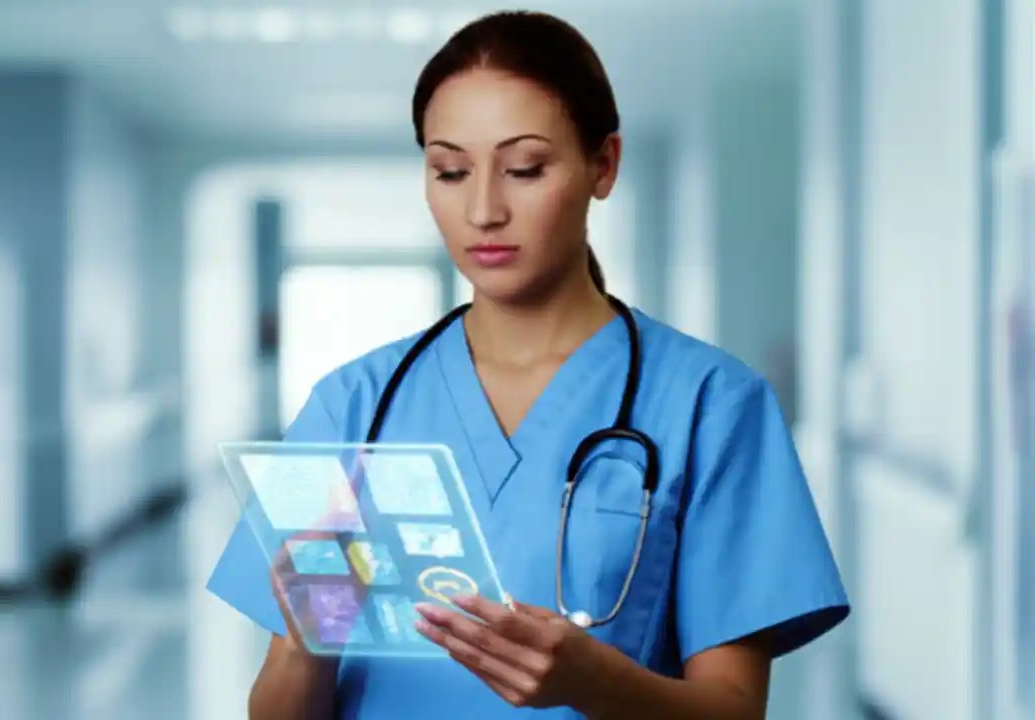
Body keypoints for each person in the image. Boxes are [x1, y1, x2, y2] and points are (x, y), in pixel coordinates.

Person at [207, 9, 849, 719]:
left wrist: (590, 681)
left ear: (603, 165)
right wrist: (303, 642)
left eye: (524, 169)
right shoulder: (354, 403)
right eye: (449, 171)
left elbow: (734, 710)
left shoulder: (711, 404)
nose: (483, 209)